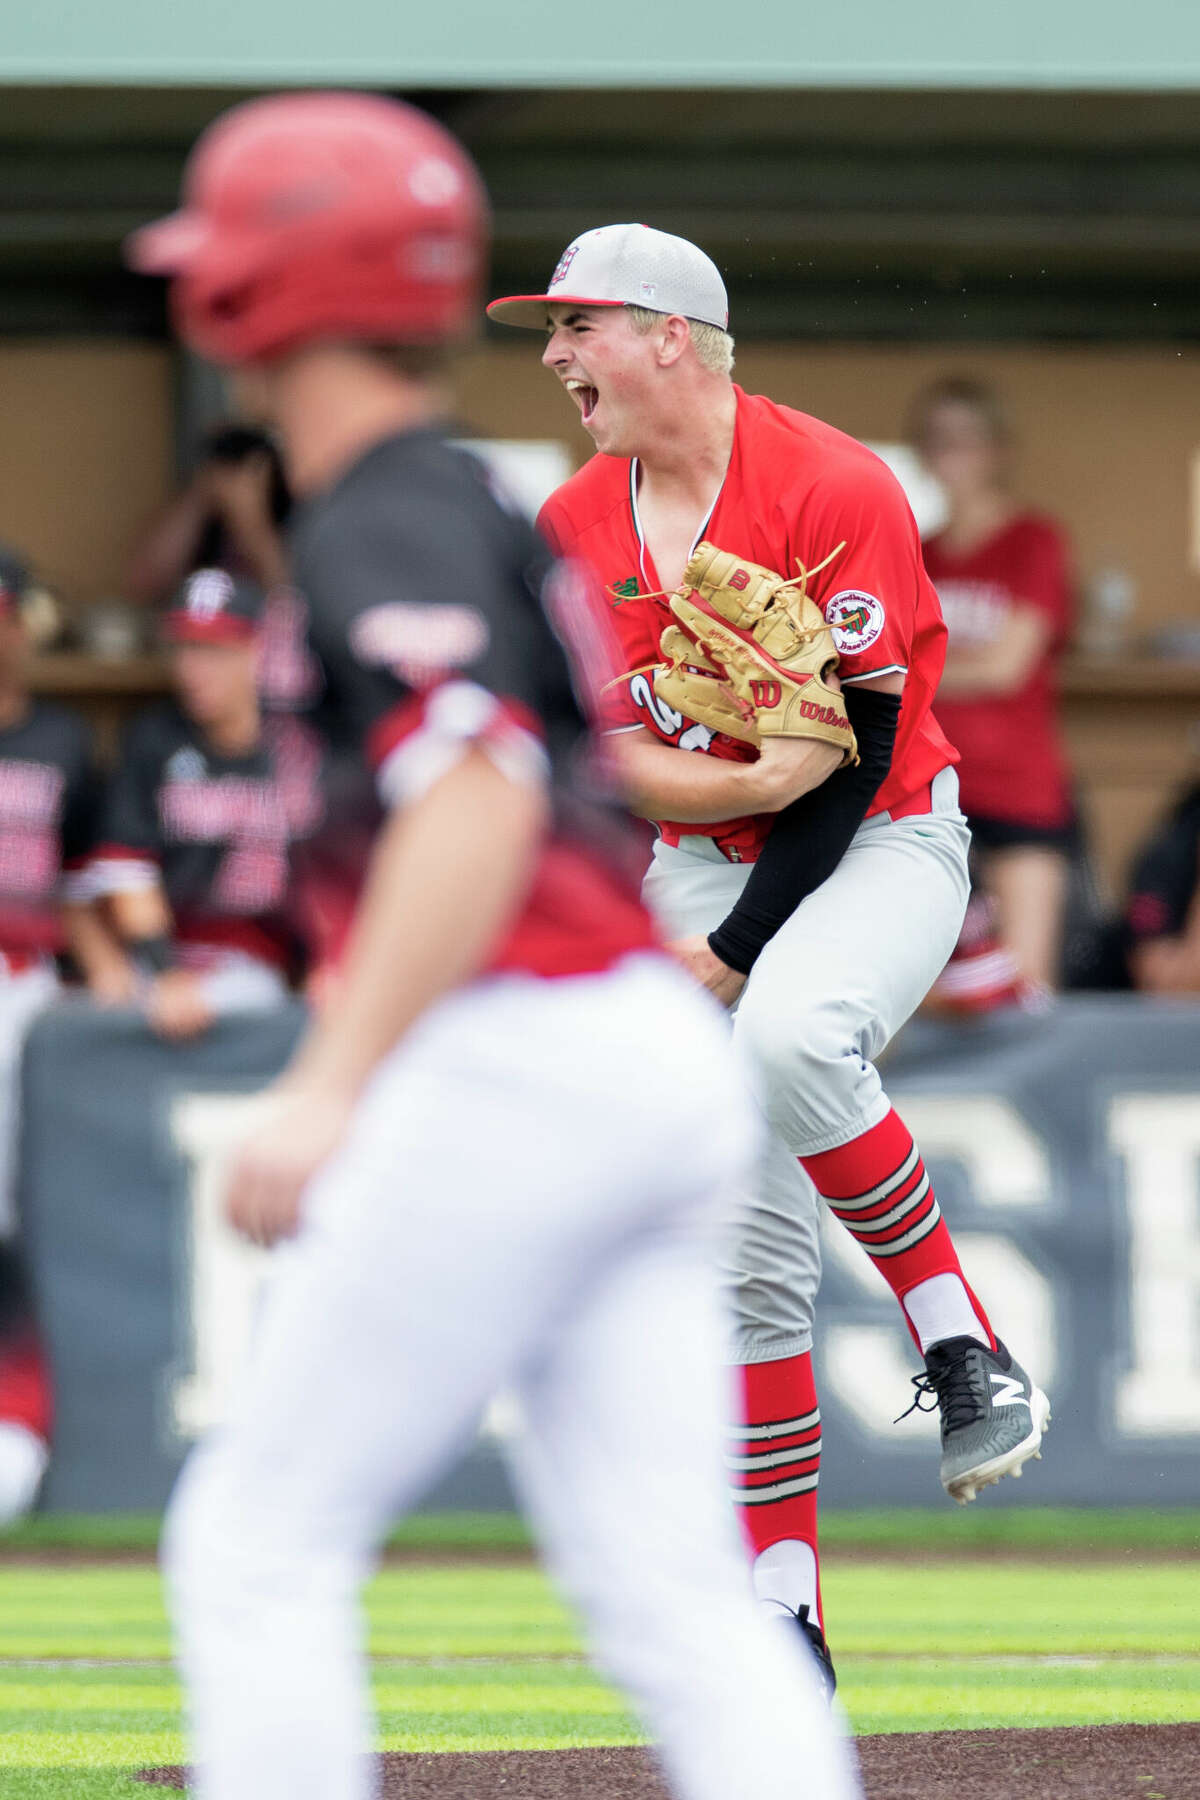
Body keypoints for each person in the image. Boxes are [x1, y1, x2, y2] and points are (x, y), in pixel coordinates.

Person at [126, 94, 860, 1800]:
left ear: (253, 294)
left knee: (255, 1543)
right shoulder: (472, 498)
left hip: (518, 1055)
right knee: (682, 1600)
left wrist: (325, 1083)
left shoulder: (383, 512)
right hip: (640, 1062)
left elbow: (471, 797)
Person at [488, 224, 1051, 1684]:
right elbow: (610, 758)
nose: (554, 358)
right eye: (549, 332)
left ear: (672, 333)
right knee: (736, 1237)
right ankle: (784, 1616)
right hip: (703, 856)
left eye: (579, 327)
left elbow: (854, 760)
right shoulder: (572, 527)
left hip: (883, 839)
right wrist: (734, 800)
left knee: (794, 1036)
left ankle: (956, 1333)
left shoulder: (831, 480)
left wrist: (736, 946)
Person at [0, 547, 129, 1523]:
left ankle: (24, 1424)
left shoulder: (54, 738)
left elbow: (92, 884)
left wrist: (110, 971)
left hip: (33, 989)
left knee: (33, 1216)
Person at [89, 570, 322, 1041]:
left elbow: (334, 876)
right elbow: (126, 868)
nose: (193, 668)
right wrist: (166, 973)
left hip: (267, 967)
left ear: (263, 650)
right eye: (185, 647)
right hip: (166, 961)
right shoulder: (154, 738)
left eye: (216, 649)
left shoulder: (304, 748)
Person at [909, 376, 1076, 992]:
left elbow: (1008, 666)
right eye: (938, 439)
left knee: (1025, 988)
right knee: (930, 984)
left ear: (999, 450)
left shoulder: (1034, 540)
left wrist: (919, 677)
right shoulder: (917, 553)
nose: (953, 452)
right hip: (926, 792)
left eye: (968, 439)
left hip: (1018, 789)